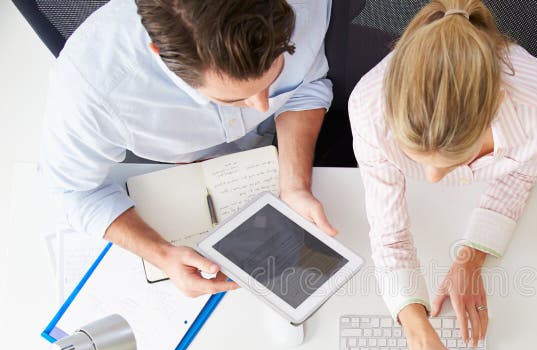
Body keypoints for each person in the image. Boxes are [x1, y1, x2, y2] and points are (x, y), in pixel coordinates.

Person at [349, 0, 537, 350]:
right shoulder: (370, 107)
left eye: (451, 160)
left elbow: (517, 179)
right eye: (418, 160)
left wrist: (472, 257)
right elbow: (389, 233)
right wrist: (419, 334)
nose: (431, 180)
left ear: (496, 106)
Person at [40, 0, 336, 298]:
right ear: (163, 55)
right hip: (172, 187)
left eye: (274, 78)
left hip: (282, 157)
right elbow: (72, 192)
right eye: (235, 98)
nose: (263, 105)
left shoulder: (306, 5)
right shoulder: (92, 90)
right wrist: (162, 255)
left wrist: (295, 187)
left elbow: (307, 86)